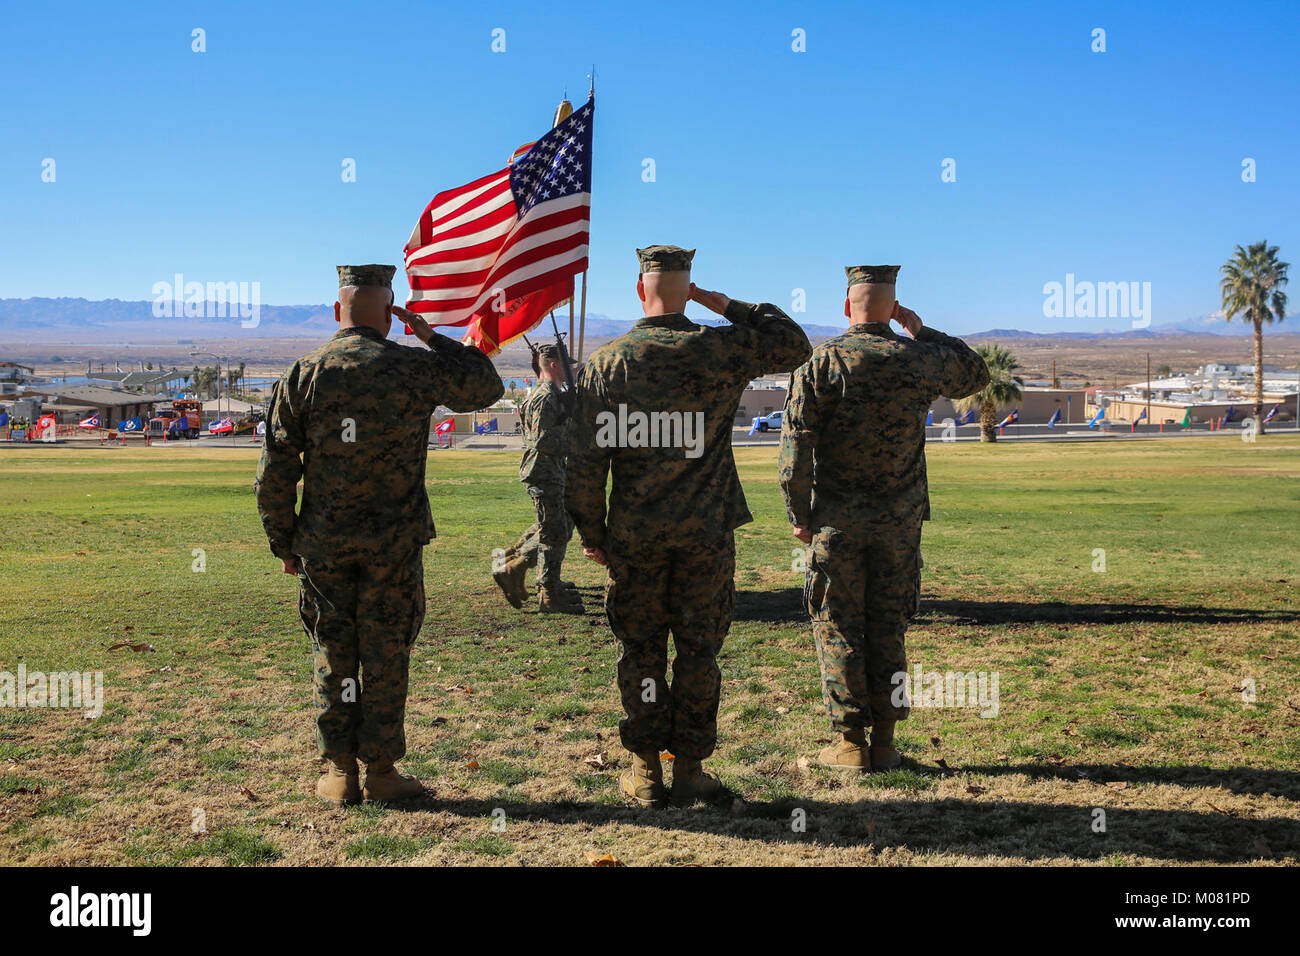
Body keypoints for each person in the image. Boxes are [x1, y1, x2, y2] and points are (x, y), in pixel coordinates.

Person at [566, 245, 811, 807]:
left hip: (635, 533)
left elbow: (585, 462)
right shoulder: (718, 348)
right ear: (688, 288)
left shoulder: (608, 363)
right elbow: (793, 344)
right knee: (700, 650)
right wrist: (723, 303)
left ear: (637, 289)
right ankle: (690, 769)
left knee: (642, 649)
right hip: (705, 530)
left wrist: (592, 531)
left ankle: (646, 768)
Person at [255, 264, 503, 806]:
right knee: (388, 651)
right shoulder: (412, 366)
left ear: (336, 308)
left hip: (323, 541)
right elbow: (486, 387)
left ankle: (341, 772)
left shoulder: (304, 373)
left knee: (333, 650)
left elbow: (276, 469)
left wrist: (283, 542)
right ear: (390, 313)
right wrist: (431, 336)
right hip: (394, 541)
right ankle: (384, 772)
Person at [778, 264, 989, 771]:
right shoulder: (917, 359)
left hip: (837, 522)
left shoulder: (822, 362)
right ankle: (887, 743)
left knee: (839, 626)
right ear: (893, 308)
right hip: (900, 522)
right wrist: (921, 330)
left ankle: (850, 744)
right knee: (889, 625)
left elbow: (795, 449)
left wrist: (799, 515)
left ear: (846, 306)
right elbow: (976, 373)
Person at [493, 344, 582, 613]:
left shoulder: (553, 395)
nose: (571, 369)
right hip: (544, 470)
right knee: (554, 531)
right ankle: (535, 582)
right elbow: (543, 440)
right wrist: (577, 440)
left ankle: (528, 570)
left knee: (559, 525)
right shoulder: (545, 398)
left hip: (551, 469)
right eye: (567, 364)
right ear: (554, 365)